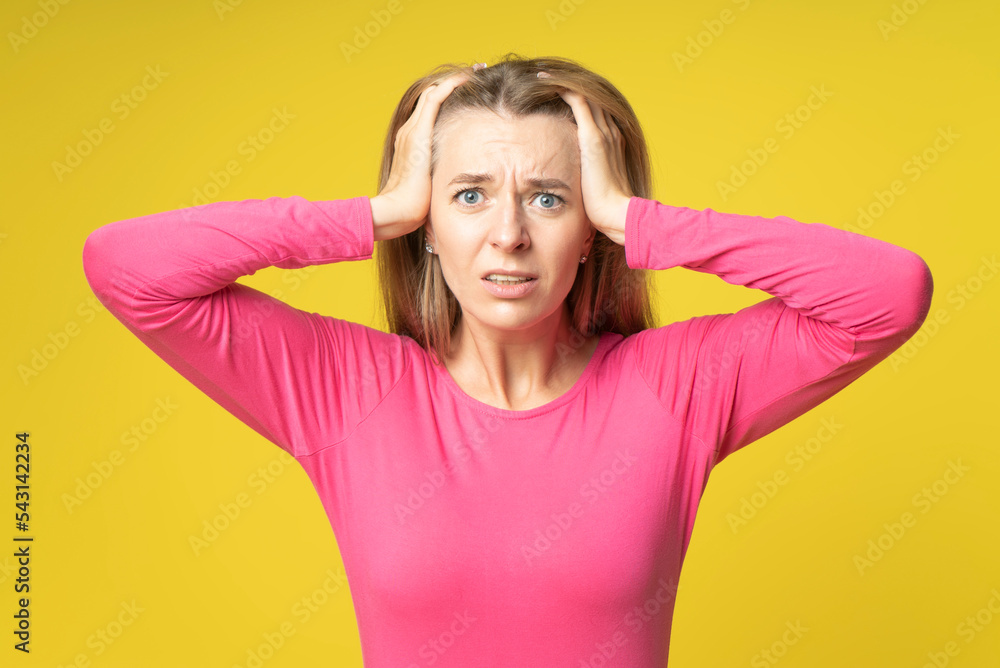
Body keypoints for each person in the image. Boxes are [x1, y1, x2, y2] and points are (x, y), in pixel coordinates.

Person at [81, 54, 933, 667]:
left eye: (550, 198)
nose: (509, 235)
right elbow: (127, 268)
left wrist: (638, 221)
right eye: (469, 195)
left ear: (589, 231)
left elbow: (887, 292)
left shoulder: (671, 389)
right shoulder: (348, 391)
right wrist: (376, 213)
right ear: (429, 226)